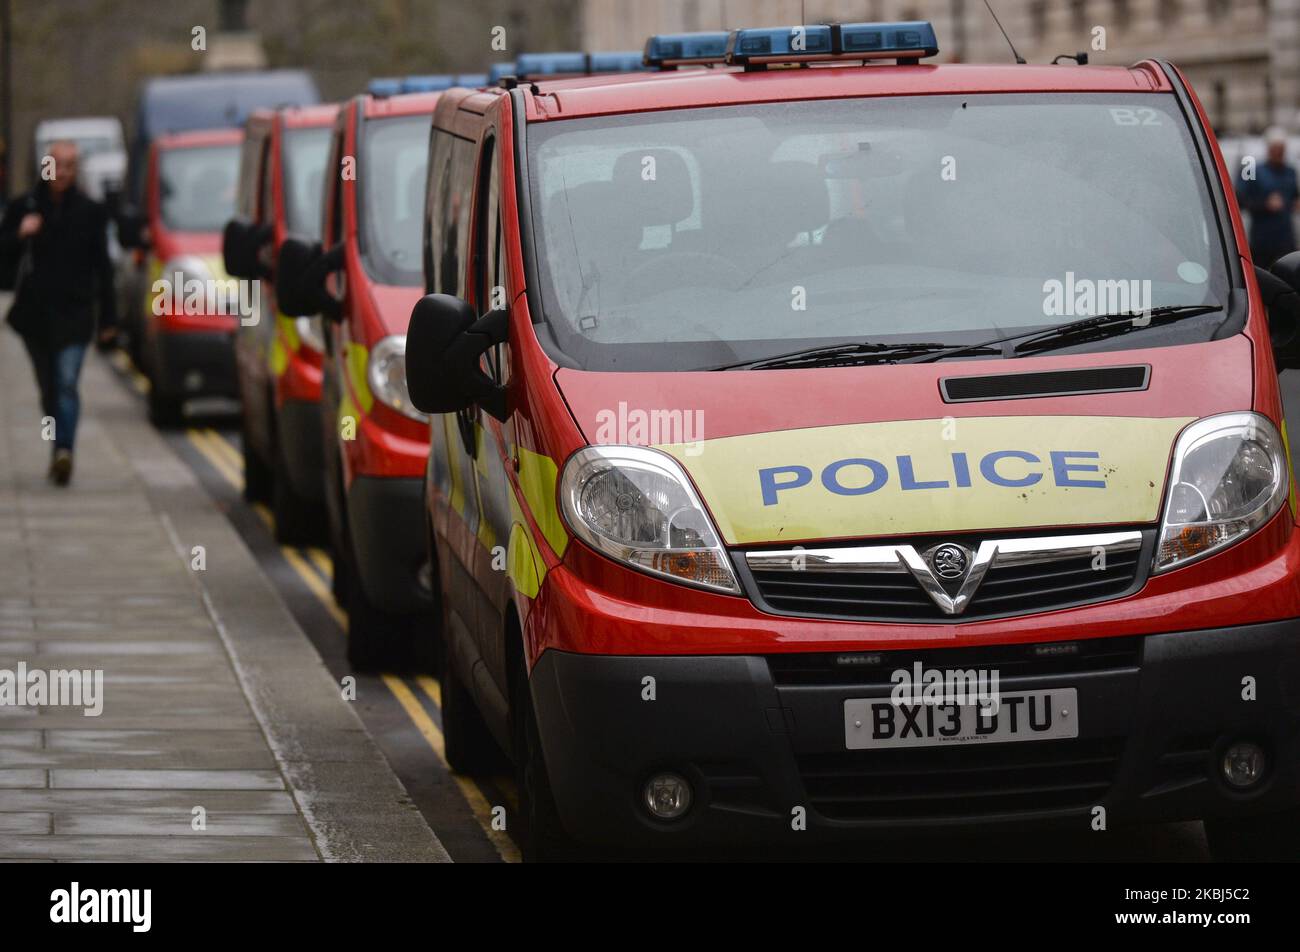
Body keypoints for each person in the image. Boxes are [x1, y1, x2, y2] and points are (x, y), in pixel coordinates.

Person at [0, 140, 117, 486]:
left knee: (67, 383)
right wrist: (20, 234)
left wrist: (109, 320)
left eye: (69, 166)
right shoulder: (26, 207)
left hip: (76, 315)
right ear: (45, 167)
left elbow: (104, 268)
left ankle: (65, 449)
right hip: (35, 317)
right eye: (56, 165)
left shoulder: (91, 212)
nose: (61, 172)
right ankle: (56, 445)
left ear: (75, 170)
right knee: (49, 389)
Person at [1238, 127, 1300, 268]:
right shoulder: (1255, 170)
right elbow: (1242, 200)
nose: (1279, 153)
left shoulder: (1290, 171)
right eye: (1276, 149)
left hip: (1286, 239)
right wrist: (1265, 204)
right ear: (1269, 149)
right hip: (1262, 241)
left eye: (1282, 149)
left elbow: (1294, 196)